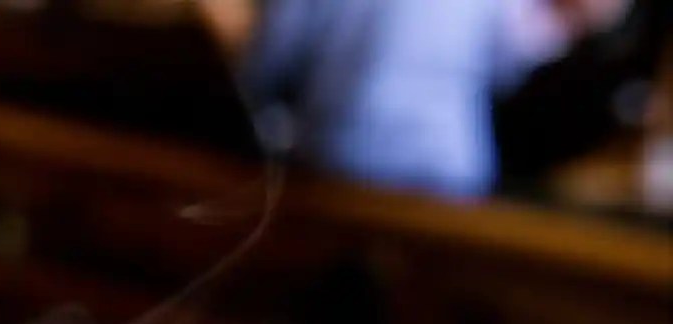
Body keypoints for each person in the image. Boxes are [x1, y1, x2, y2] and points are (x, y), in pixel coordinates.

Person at [196, 0, 634, 197]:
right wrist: (573, 20)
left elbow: (270, 59)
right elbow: (514, 48)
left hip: (334, 164)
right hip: (447, 175)